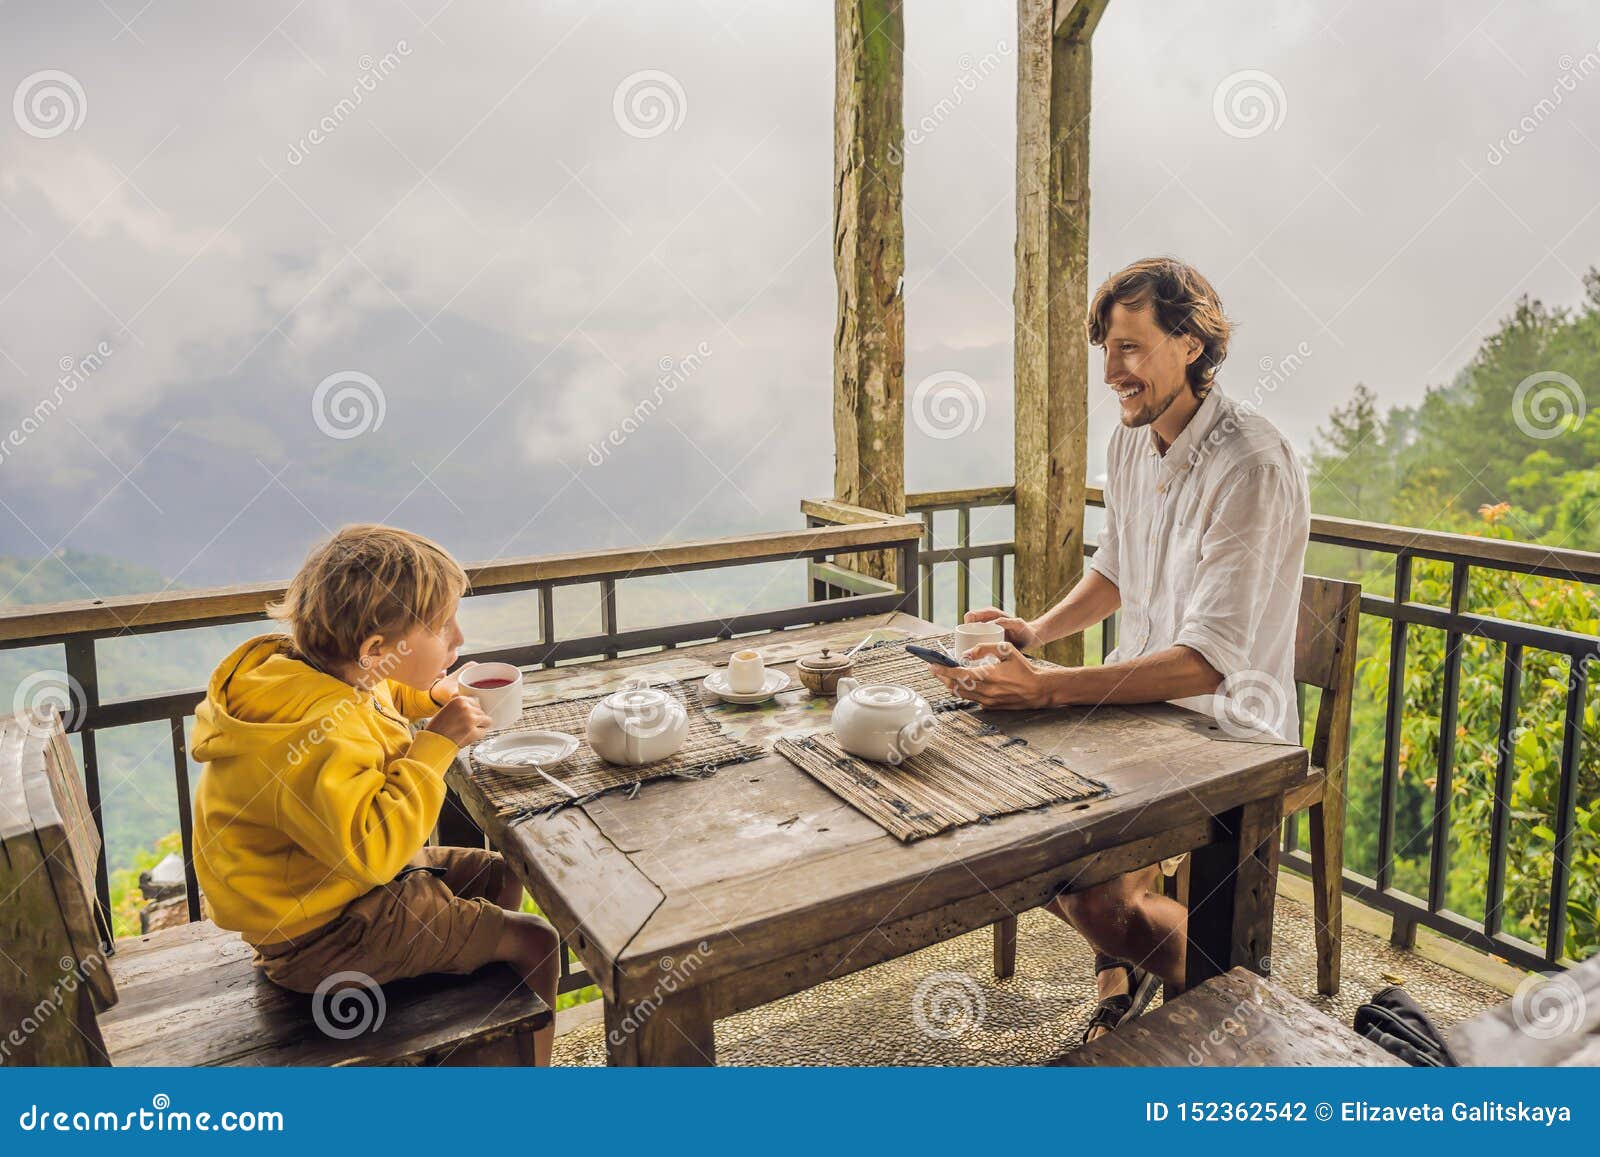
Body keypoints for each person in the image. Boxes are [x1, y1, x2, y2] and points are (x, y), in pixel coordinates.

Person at [923, 257, 1310, 1042]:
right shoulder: (1132, 442)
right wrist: (1034, 633)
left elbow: (1205, 663)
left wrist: (1049, 687)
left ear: (1192, 343)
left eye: (1129, 348)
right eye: (1105, 349)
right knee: (1039, 845)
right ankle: (1141, 976)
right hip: (1147, 717)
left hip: (1225, 731)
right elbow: (1117, 568)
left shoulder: (1251, 463)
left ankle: (1237, 1000)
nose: (1111, 371)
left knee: (1090, 893)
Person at [190, 523, 560, 1064]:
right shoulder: (316, 736)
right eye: (442, 625)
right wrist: (436, 745)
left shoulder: (315, 675)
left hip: (330, 892)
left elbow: (378, 692)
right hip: (323, 934)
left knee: (502, 875)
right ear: (376, 648)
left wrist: (430, 693)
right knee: (537, 943)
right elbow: (372, 852)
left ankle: (474, 1037)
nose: (458, 638)